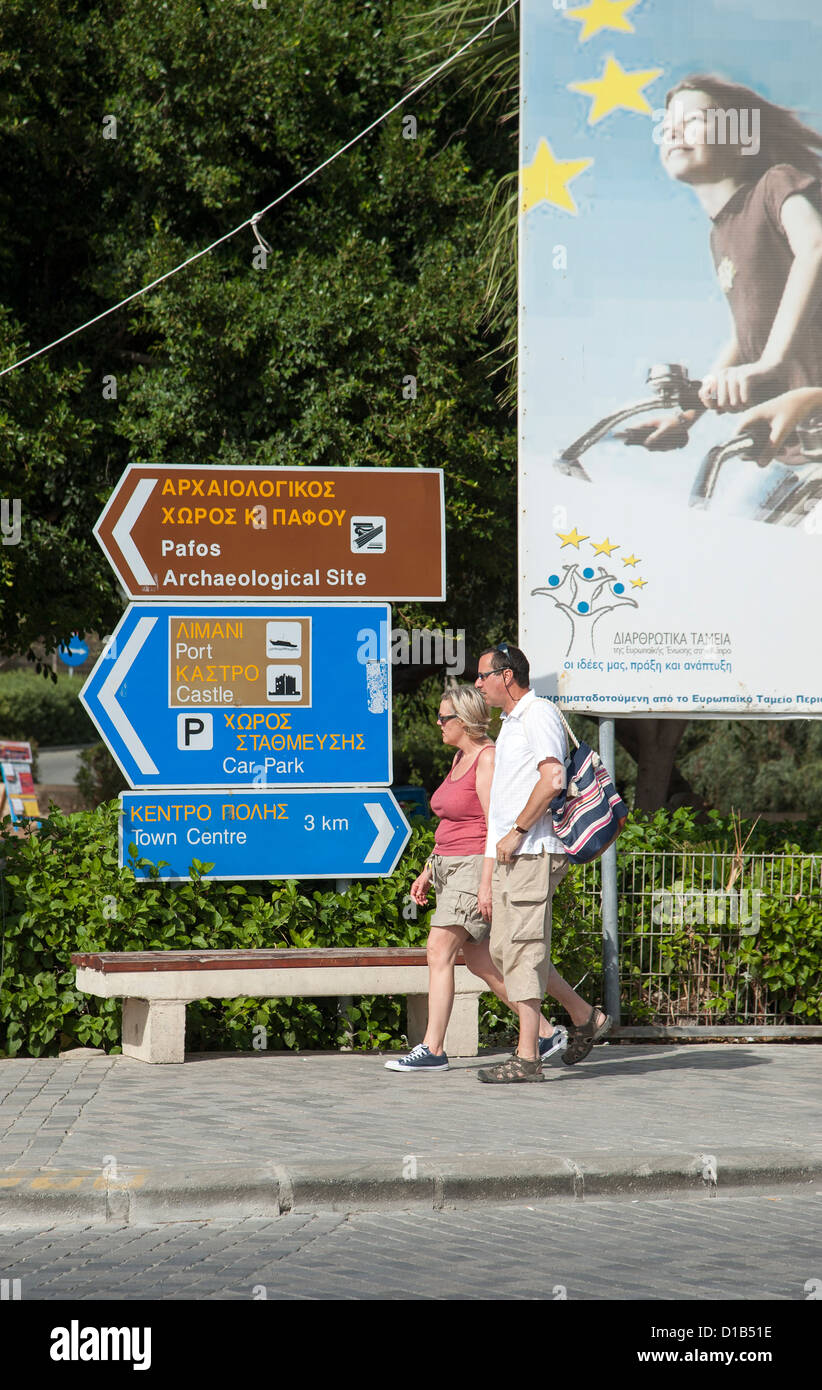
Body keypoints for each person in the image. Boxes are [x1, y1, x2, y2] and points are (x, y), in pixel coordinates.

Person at [626, 76, 822, 454]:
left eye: (694, 120)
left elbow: (815, 246)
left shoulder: (775, 185)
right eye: (666, 127)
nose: (674, 131)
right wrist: (687, 415)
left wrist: (770, 364)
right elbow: (747, 331)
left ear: (743, 136)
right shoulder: (720, 235)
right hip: (801, 442)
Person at [385, 684, 569, 1074]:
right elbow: (450, 823)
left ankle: (433, 1048)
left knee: (439, 949)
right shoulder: (459, 759)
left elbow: (493, 825)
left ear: (464, 721)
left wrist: (486, 884)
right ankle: (545, 1033)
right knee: (482, 961)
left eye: (443, 717)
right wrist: (427, 870)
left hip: (472, 867)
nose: (437, 723)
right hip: (448, 867)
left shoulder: (487, 758)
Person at [473, 643, 611, 1084]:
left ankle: (528, 1057)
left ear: (507, 676)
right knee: (506, 950)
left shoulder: (538, 714)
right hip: (515, 854)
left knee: (524, 952)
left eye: (483, 676)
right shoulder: (515, 721)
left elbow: (553, 778)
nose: (478, 684)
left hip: (532, 851)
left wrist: (516, 831)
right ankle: (584, 1016)